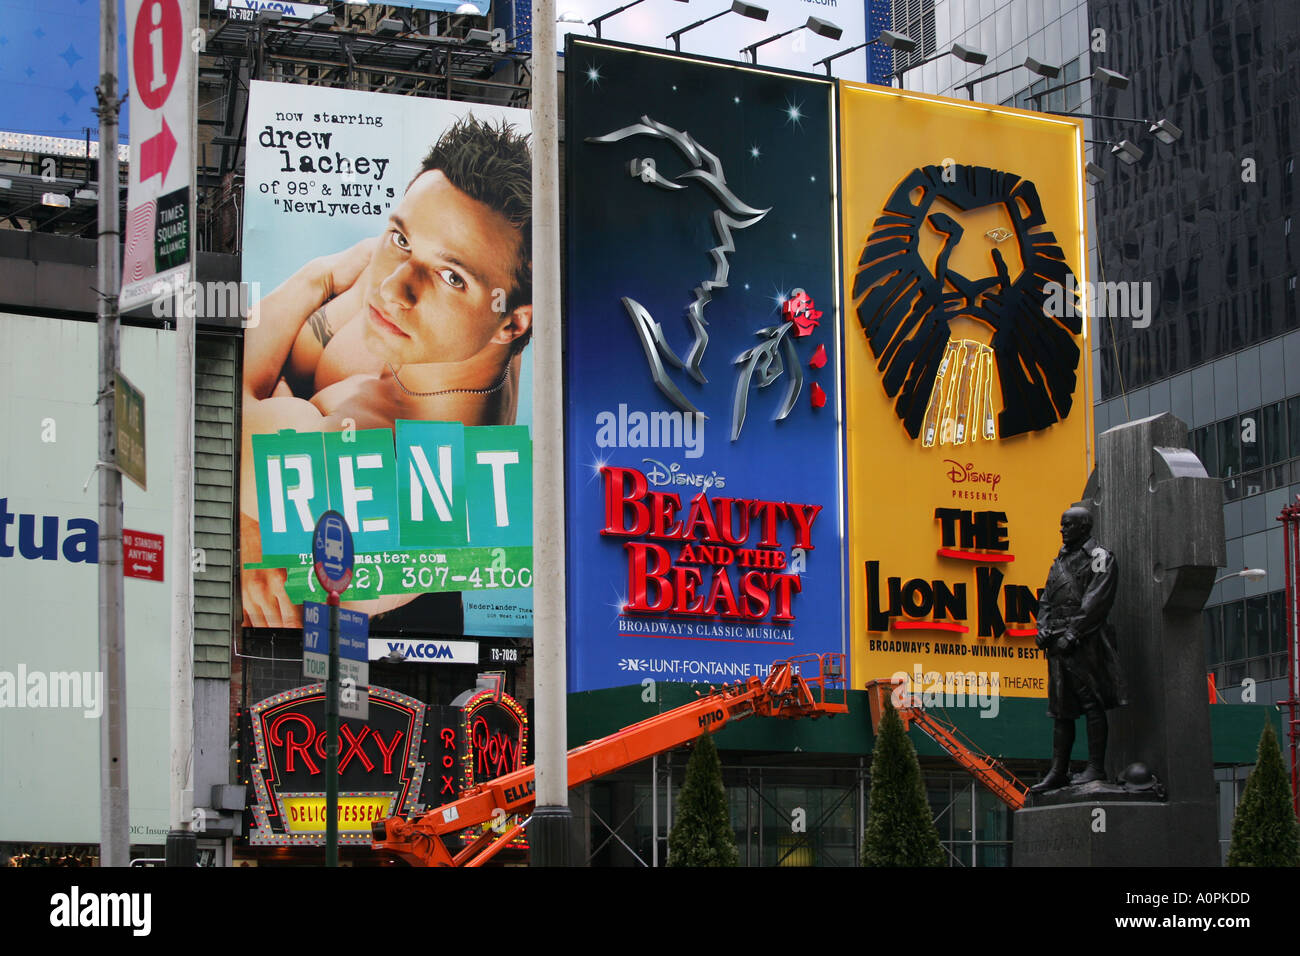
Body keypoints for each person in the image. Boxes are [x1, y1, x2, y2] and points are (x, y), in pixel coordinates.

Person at [240, 117, 533, 627]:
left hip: (369, 658)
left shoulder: (382, 481)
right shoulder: (455, 332)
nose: (394, 288)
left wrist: (318, 276)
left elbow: (215, 404)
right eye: (400, 238)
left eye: (450, 275)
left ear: (512, 323)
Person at [1029, 505, 1125, 792]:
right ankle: (1059, 770)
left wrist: (1072, 633)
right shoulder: (1059, 560)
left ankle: (1096, 766)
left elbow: (1096, 601)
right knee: (1061, 709)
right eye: (1062, 525)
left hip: (1085, 642)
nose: (1062, 530)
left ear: (1084, 527)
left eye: (1068, 525)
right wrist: (1042, 627)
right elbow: (1046, 598)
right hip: (1056, 644)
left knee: (1091, 702)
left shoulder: (1100, 558)